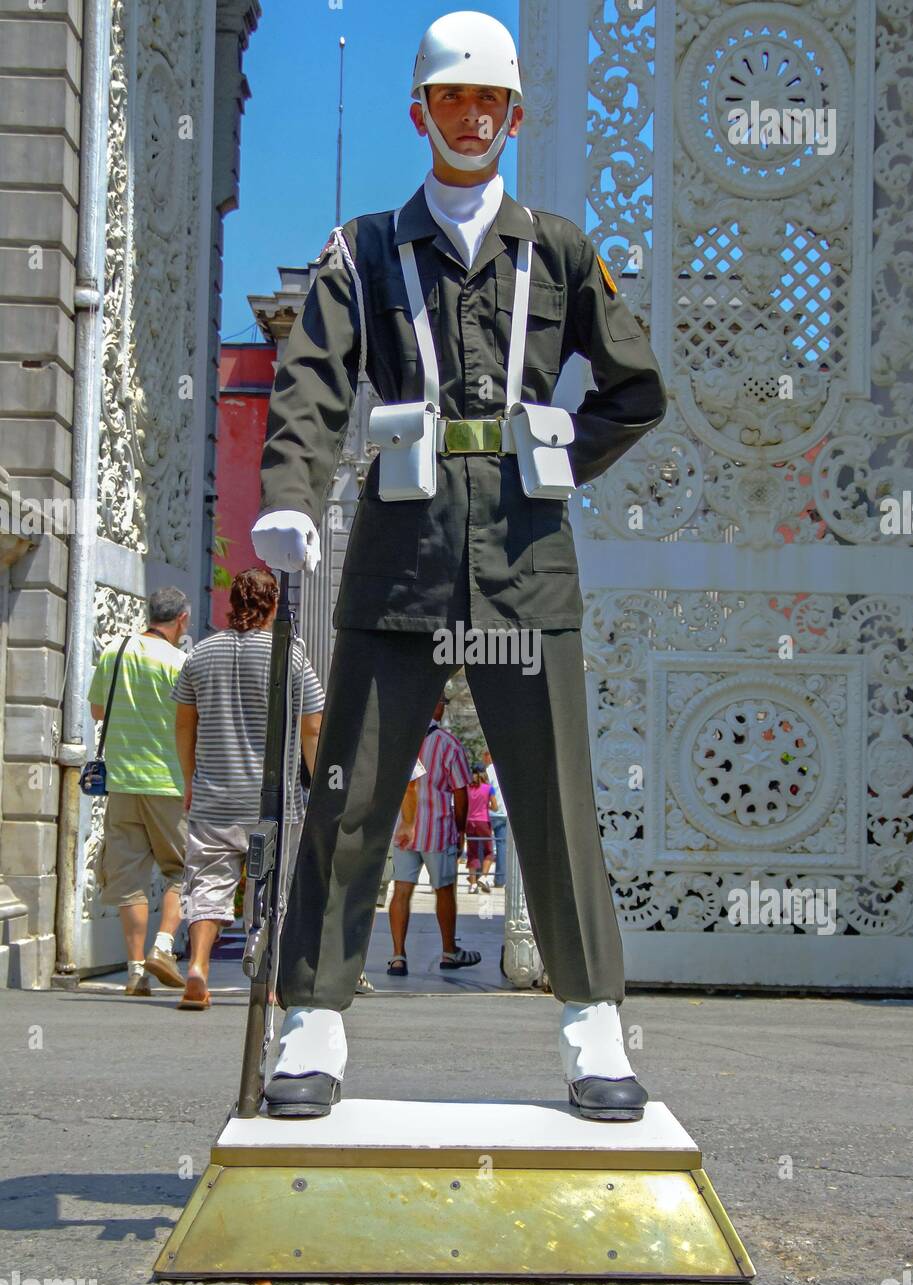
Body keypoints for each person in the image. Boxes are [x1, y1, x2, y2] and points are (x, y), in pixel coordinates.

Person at [250, 11, 667, 1121]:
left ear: (516, 115)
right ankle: (314, 1022)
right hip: (401, 557)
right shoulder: (365, 249)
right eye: (451, 99)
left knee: (556, 802)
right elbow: (309, 384)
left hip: (526, 563)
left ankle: (593, 1028)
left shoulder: (565, 250)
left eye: (489, 100)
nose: (471, 117)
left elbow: (637, 385)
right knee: (349, 795)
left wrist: (563, 447)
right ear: (419, 112)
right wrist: (289, 501)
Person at [170, 569, 325, 1008]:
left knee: (207, 884)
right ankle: (270, 983)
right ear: (273, 604)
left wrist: (188, 778)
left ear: (232, 603)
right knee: (272, 890)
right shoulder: (290, 656)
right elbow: (312, 726)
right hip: (272, 801)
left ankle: (198, 966)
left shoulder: (200, 654)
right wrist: (318, 786)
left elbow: (184, 722)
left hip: (214, 796)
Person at [86, 587, 191, 996]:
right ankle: (163, 947)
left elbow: (98, 710)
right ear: (181, 619)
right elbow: (189, 722)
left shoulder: (116, 649)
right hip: (168, 784)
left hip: (123, 782)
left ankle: (134, 972)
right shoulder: (180, 663)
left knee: (128, 879)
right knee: (184, 871)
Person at [386, 696, 481, 977]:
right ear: (436, 706)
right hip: (438, 829)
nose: (445, 706)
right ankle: (449, 951)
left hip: (404, 828)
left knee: (401, 891)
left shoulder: (399, 740)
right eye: (444, 701)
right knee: (444, 889)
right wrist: (461, 828)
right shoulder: (448, 744)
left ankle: (397, 955)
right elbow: (461, 790)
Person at [464, 761, 496, 893]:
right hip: (483, 821)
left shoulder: (467, 788)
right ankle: (483, 876)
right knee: (489, 851)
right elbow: (495, 806)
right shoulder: (488, 788)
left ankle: (472, 884)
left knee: (472, 853)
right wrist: (486, 805)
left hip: (469, 822)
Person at [483, 750, 507, 889]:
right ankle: (500, 878)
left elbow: (486, 789)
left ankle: (480, 875)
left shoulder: (490, 770)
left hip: (490, 811)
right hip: (504, 812)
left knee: (483, 844)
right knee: (502, 845)